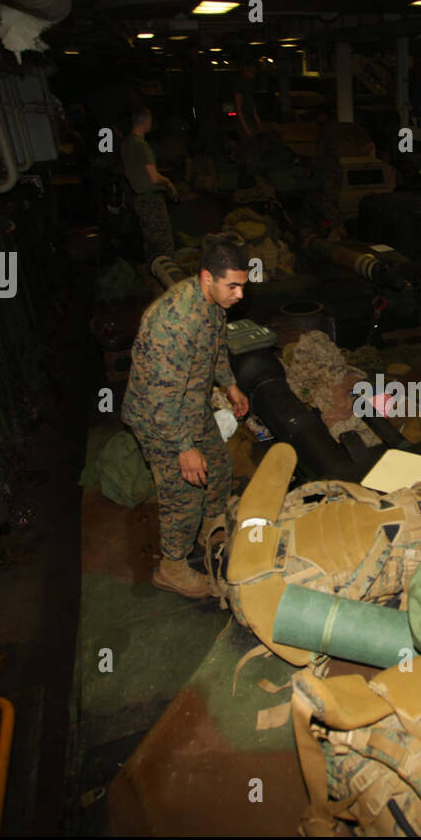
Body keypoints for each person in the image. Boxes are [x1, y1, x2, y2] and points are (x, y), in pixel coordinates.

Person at [121, 234, 252, 599]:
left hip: (189, 403)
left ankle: (208, 526)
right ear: (206, 277)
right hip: (157, 416)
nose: (239, 295)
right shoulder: (172, 323)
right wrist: (183, 448)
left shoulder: (212, 305)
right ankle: (173, 568)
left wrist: (230, 386)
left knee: (219, 468)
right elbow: (160, 398)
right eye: (233, 286)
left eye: (243, 286)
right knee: (184, 492)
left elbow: (216, 347)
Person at [121, 106, 176, 265]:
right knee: (163, 245)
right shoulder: (141, 145)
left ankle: (154, 276)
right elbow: (153, 177)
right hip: (151, 201)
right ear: (146, 121)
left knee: (151, 243)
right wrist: (168, 182)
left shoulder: (126, 144)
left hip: (138, 199)